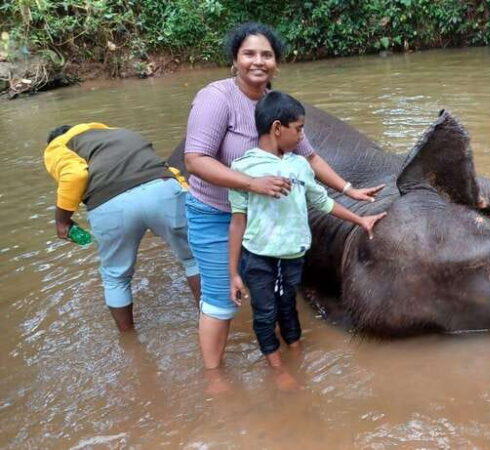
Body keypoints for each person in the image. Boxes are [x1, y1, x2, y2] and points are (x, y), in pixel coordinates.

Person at [184, 22, 385, 369]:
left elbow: (310, 157)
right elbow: (195, 160)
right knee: (220, 298)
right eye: (249, 53)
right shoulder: (216, 99)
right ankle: (214, 379)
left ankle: (281, 360)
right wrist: (252, 185)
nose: (257, 61)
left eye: (267, 54)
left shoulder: (274, 105)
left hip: (264, 216)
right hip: (218, 211)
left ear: (277, 63)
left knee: (270, 292)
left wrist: (349, 189)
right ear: (235, 59)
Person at [229, 91, 386, 379]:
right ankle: (277, 367)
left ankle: (296, 349)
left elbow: (323, 202)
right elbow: (237, 222)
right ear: (278, 128)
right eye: (299, 129)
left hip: (293, 255)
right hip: (258, 258)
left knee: (288, 306)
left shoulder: (299, 166)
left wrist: (360, 220)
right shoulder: (243, 169)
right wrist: (233, 273)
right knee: (264, 313)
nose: (302, 137)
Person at [44, 123, 200, 331]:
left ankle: (129, 341)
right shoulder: (118, 132)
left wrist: (62, 220)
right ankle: (211, 319)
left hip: (109, 204)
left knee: (115, 277)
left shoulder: (57, 146)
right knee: (193, 259)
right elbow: (168, 170)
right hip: (162, 188)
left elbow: (75, 175)